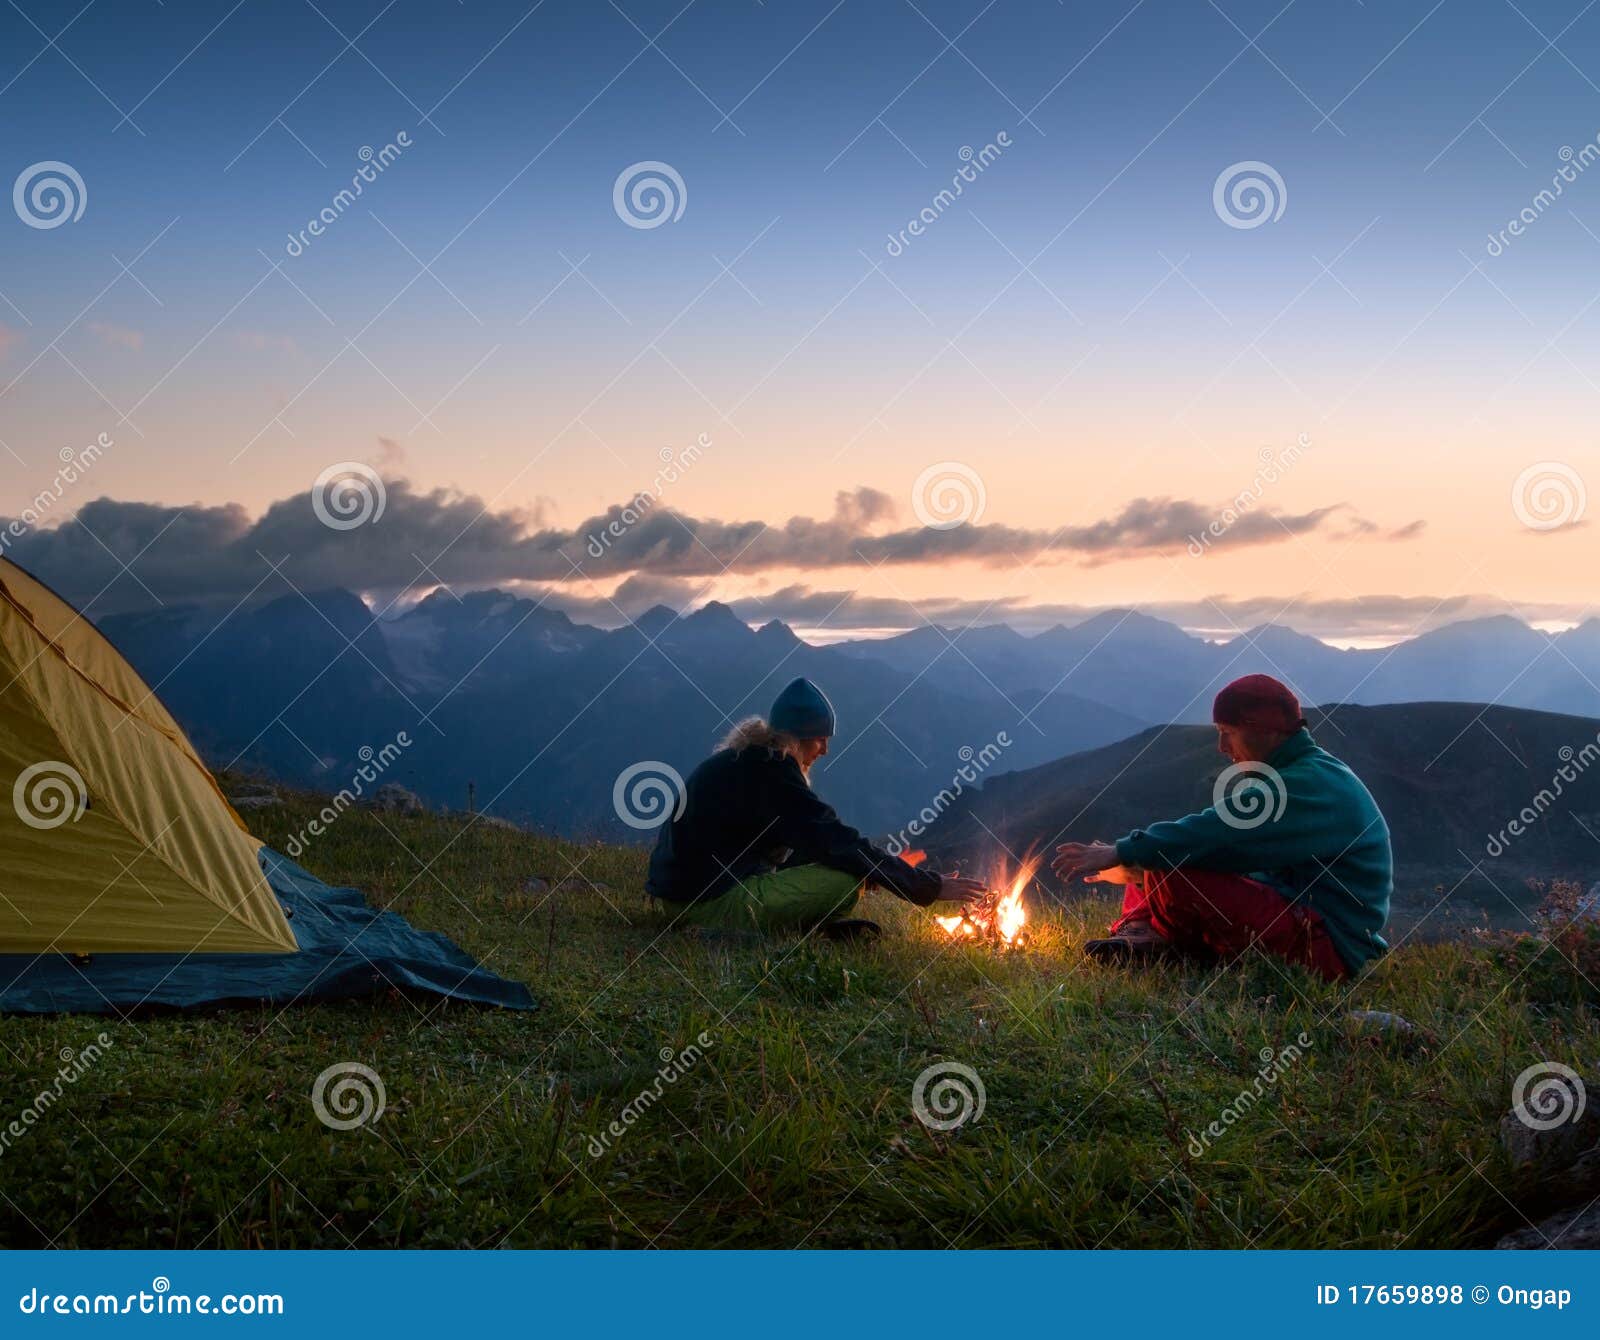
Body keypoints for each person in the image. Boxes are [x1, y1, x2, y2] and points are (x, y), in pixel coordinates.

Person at [1052, 673, 1392, 981]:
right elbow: (1240, 855)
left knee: (1170, 861)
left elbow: (1217, 835)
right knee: (1163, 857)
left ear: (1263, 730)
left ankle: (1162, 943)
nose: (1222, 748)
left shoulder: (1306, 785)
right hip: (1307, 918)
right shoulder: (1304, 773)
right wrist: (1138, 867)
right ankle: (1143, 934)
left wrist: (1120, 852)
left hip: (1323, 949)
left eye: (1227, 733)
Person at [647, 677, 987, 938]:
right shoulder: (774, 775)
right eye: (820, 739)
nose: (824, 750)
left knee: (844, 869)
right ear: (797, 738)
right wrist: (926, 886)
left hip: (681, 896)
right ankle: (742, 931)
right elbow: (837, 839)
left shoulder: (748, 762)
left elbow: (808, 843)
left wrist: (875, 871)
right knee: (843, 883)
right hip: (708, 905)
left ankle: (805, 930)